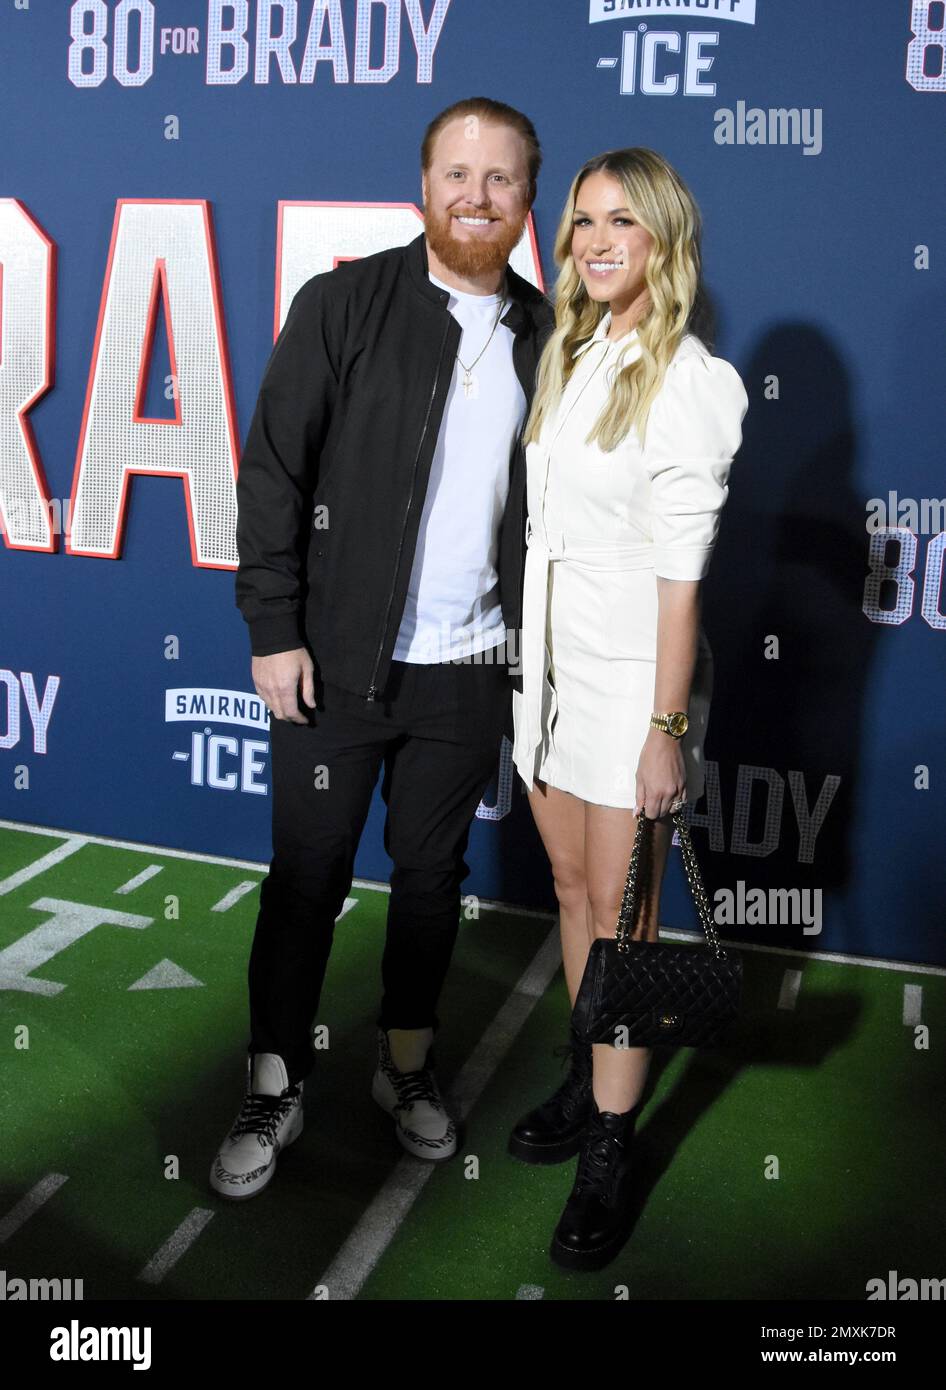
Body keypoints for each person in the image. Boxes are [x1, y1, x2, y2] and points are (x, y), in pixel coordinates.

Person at [211, 97, 554, 1198]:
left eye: (499, 178)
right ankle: (273, 1078)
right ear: (422, 186)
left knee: (429, 882)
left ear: (525, 199)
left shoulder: (549, 335)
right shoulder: (345, 302)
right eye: (456, 171)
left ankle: (405, 1065)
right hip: (336, 663)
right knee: (305, 878)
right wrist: (273, 627)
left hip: (468, 666)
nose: (476, 194)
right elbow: (273, 474)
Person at [508, 147, 749, 1269]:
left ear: (664, 239)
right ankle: (583, 1068)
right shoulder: (572, 349)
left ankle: (611, 1142)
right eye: (581, 223)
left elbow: (679, 579)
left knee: (625, 917)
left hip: (627, 684)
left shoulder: (686, 378)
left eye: (620, 223)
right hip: (548, 671)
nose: (595, 241)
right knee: (569, 885)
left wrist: (665, 729)